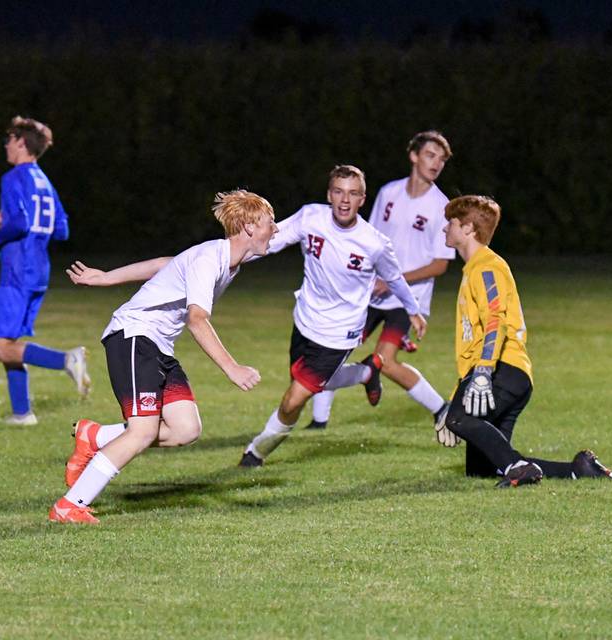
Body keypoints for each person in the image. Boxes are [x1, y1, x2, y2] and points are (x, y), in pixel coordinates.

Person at [49, 190, 277, 524]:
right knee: (141, 432)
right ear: (248, 227)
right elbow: (197, 318)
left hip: (157, 346)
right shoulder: (209, 260)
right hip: (133, 337)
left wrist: (106, 277)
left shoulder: (227, 258)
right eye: (270, 223)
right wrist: (232, 368)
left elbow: (164, 265)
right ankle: (69, 505)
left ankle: (95, 437)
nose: (275, 230)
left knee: (186, 428)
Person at [239, 165, 427, 467]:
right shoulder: (311, 217)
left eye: (353, 193)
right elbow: (272, 240)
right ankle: (367, 372)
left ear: (362, 199)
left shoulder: (374, 243)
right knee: (309, 384)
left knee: (294, 399)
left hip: (339, 335)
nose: (344, 199)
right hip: (304, 321)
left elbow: (394, 278)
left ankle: (256, 452)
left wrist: (413, 310)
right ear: (329, 194)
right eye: (338, 191)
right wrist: (232, 255)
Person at [439, 195, 612, 487]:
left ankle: (519, 466)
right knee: (483, 467)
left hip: (501, 369)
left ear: (468, 228)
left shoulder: (485, 266)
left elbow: (495, 320)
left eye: (451, 223)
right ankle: (578, 469)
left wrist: (482, 373)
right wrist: (453, 399)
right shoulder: (476, 268)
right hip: (509, 374)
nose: (445, 229)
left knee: (460, 421)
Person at [307, 131, 455, 433]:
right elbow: (366, 239)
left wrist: (392, 280)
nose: (436, 163)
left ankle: (442, 409)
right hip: (371, 293)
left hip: (406, 300)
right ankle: (319, 422)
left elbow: (440, 264)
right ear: (414, 156)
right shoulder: (389, 193)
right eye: (430, 155)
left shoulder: (442, 206)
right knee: (334, 349)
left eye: (441, 159)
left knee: (386, 361)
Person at [0, 116, 89, 426]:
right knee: (11, 344)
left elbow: (21, 223)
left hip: (17, 270)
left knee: (0, 347)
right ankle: (22, 413)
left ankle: (66, 359)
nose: (6, 146)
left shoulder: (13, 178)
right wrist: (15, 220)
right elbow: (61, 229)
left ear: (22, 143)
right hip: (38, 270)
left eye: (10, 141)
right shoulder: (44, 180)